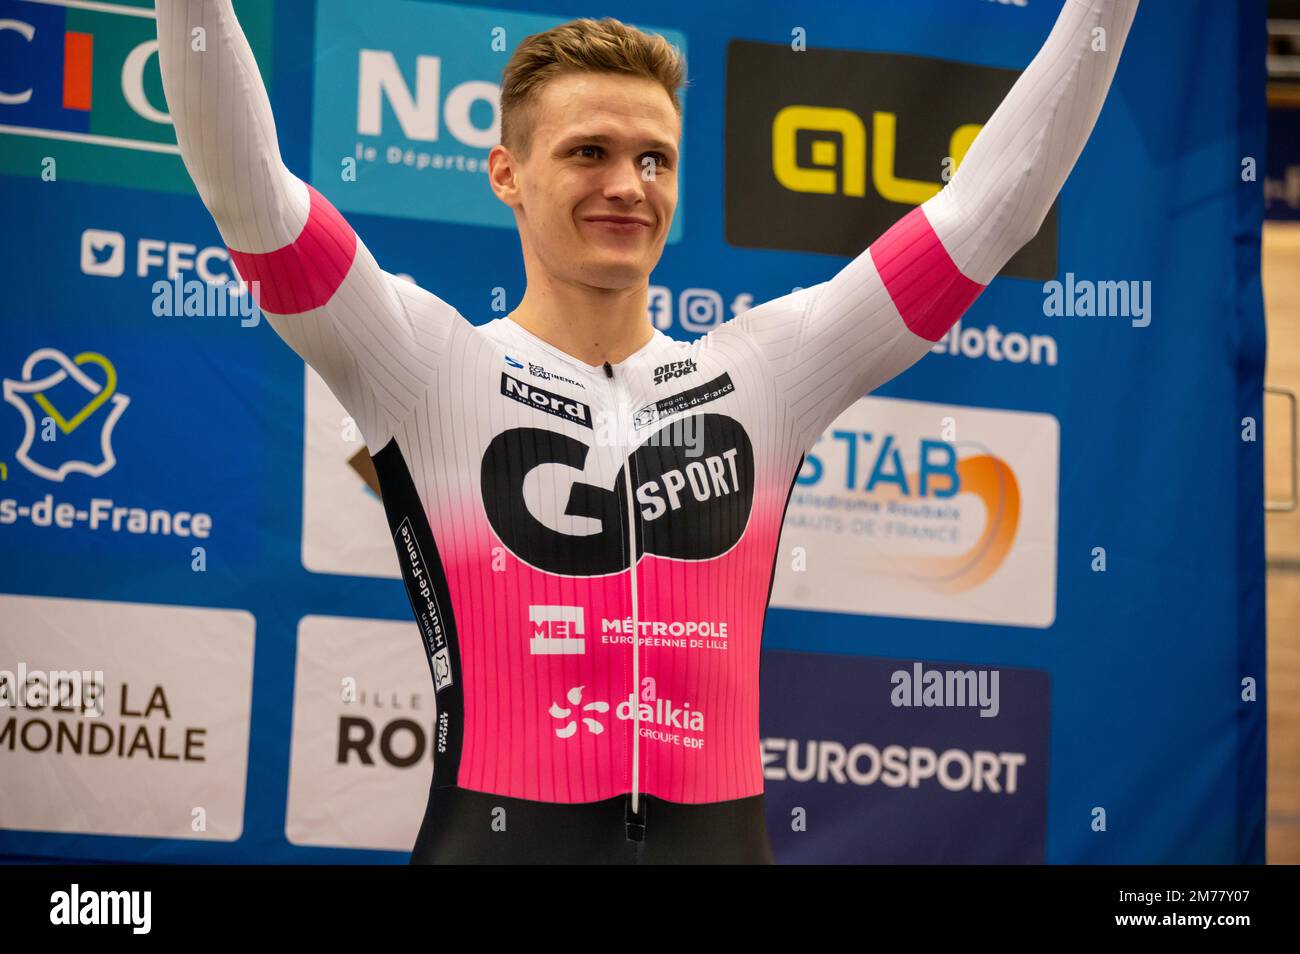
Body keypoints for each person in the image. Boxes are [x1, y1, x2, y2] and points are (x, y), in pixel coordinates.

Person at [156, 0, 1139, 863]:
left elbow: (988, 209)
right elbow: (250, 192)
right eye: (588, 151)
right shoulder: (419, 361)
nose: (627, 184)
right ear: (506, 172)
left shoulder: (768, 369)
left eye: (652, 158)